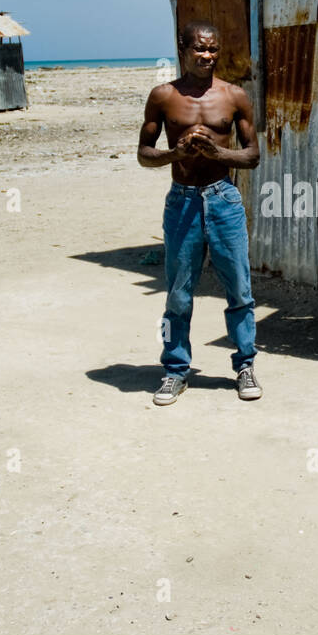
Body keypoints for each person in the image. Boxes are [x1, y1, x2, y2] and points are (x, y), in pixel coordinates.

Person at [137, 21, 261, 406]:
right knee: (178, 292)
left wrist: (217, 154)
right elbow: (144, 152)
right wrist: (176, 154)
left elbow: (253, 155)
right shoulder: (163, 96)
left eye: (213, 49)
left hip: (223, 198)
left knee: (238, 288)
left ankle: (245, 366)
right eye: (200, 49)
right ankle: (175, 371)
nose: (207, 56)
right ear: (183, 48)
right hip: (183, 200)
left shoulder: (234, 96)